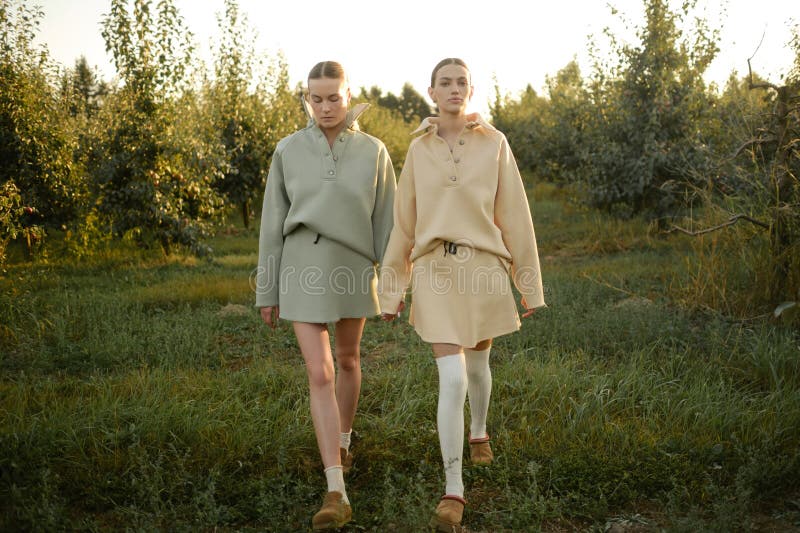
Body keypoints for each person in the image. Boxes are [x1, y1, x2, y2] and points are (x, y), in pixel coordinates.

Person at [378, 57, 545, 532]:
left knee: (477, 366)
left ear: (471, 90)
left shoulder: (495, 143)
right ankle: (453, 488)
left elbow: (515, 214)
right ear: (431, 92)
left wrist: (528, 284)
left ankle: (479, 431)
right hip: (434, 269)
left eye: (462, 83)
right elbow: (404, 222)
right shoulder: (418, 150)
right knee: (451, 380)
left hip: (484, 268)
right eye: (445, 83)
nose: (454, 89)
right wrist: (392, 288)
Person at [254, 60, 396, 530]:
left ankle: (344, 442)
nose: (325, 107)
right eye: (316, 98)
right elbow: (272, 223)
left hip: (353, 266)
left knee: (349, 360)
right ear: (307, 99)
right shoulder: (287, 150)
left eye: (334, 97)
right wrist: (267, 288)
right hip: (301, 265)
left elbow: (387, 222)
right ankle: (336, 489)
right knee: (321, 371)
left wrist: (393, 285)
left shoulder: (374, 151)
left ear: (349, 95)